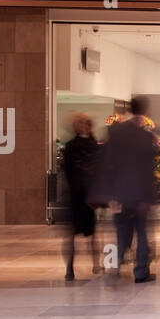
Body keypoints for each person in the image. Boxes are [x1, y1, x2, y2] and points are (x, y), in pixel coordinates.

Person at [99, 97, 158, 283]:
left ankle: (114, 266)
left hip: (120, 193)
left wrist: (110, 194)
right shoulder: (146, 137)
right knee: (141, 233)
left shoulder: (115, 133)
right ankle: (141, 272)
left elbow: (108, 164)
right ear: (146, 111)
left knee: (121, 232)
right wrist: (149, 197)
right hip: (140, 194)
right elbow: (148, 169)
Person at [61, 113, 103, 280]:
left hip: (82, 196)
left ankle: (93, 264)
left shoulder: (76, 145)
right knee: (80, 234)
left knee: (86, 233)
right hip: (81, 196)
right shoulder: (86, 146)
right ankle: (73, 267)